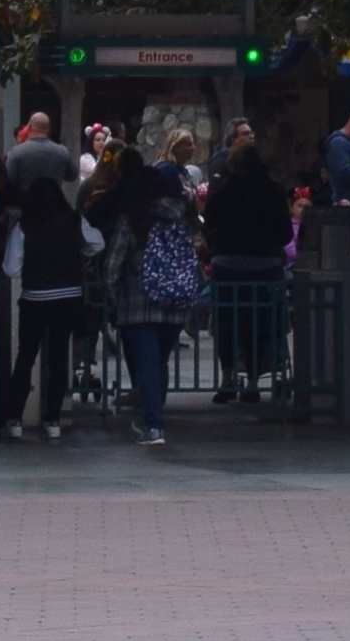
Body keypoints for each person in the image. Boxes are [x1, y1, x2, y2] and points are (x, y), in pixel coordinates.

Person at [91, 130, 193, 445]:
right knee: (159, 362)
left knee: (146, 363)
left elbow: (112, 266)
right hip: (174, 302)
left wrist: (115, 295)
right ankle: (155, 414)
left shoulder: (132, 219)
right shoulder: (178, 219)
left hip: (137, 301)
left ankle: (153, 424)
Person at [201, 129, 294, 403]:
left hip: (227, 264)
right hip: (265, 265)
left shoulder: (223, 190)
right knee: (261, 322)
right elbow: (285, 234)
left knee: (227, 320)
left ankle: (229, 376)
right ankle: (254, 379)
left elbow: (209, 222)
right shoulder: (274, 190)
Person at [1, 164, 93, 442]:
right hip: (68, 297)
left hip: (34, 299)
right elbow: (95, 243)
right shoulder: (74, 221)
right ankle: (52, 419)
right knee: (58, 358)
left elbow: (9, 267)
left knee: (25, 357)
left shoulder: (24, 227)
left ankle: (15, 418)